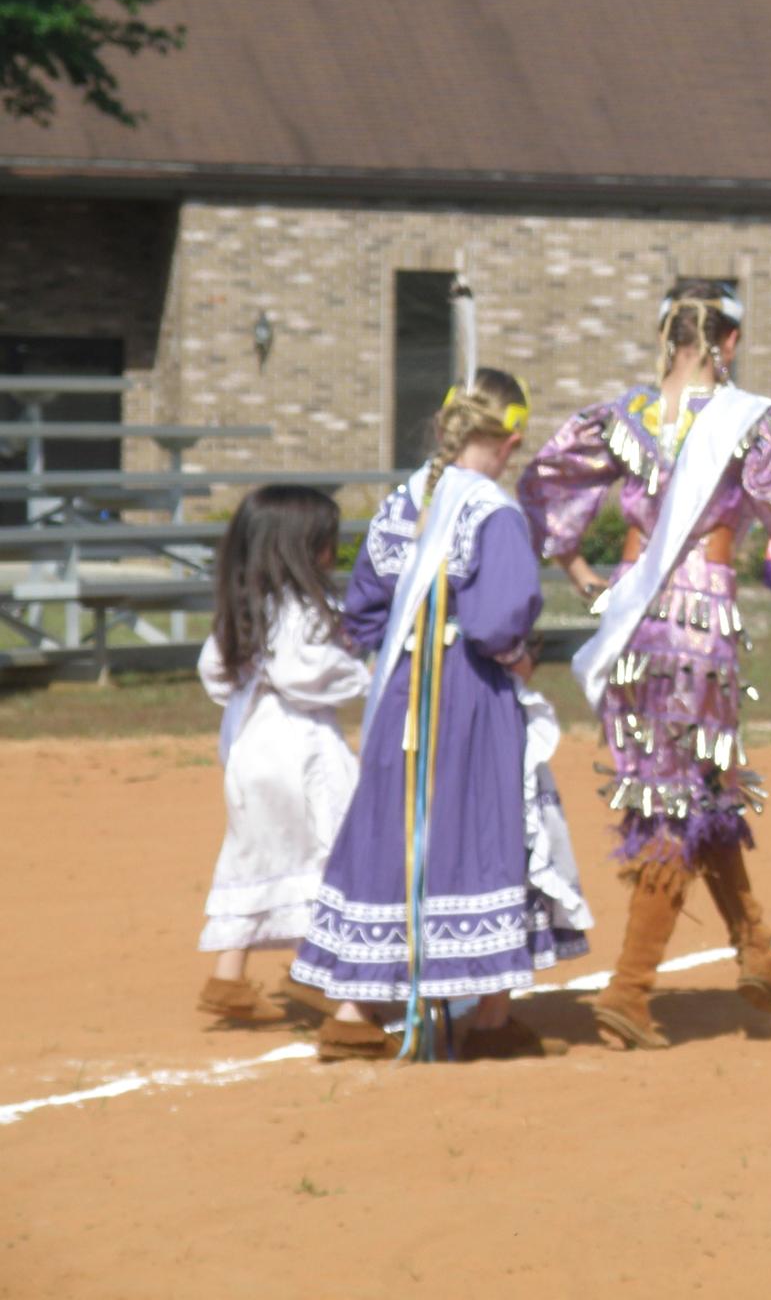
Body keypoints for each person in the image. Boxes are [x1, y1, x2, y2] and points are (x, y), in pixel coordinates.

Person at [519, 280, 771, 1051]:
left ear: (667, 336)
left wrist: (576, 570)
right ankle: (629, 987)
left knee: (696, 785)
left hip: (632, 614)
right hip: (698, 622)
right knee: (673, 799)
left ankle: (757, 951)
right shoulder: (751, 423)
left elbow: (545, 483)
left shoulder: (621, 418)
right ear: (726, 343)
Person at [292, 369, 589, 1060]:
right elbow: (496, 620)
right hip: (470, 691)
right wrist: (519, 655)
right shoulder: (494, 512)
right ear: (511, 439)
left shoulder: (402, 502)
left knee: (395, 824)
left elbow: (363, 609)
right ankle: (487, 1015)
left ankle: (352, 1008)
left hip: (400, 688)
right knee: (485, 824)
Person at [195, 486, 370, 1023]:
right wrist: (366, 675)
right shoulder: (306, 610)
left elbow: (214, 672)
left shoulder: (244, 608)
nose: (332, 553)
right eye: (326, 543)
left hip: (249, 749)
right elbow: (305, 672)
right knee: (331, 850)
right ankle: (314, 972)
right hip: (303, 749)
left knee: (255, 854)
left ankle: (229, 977)